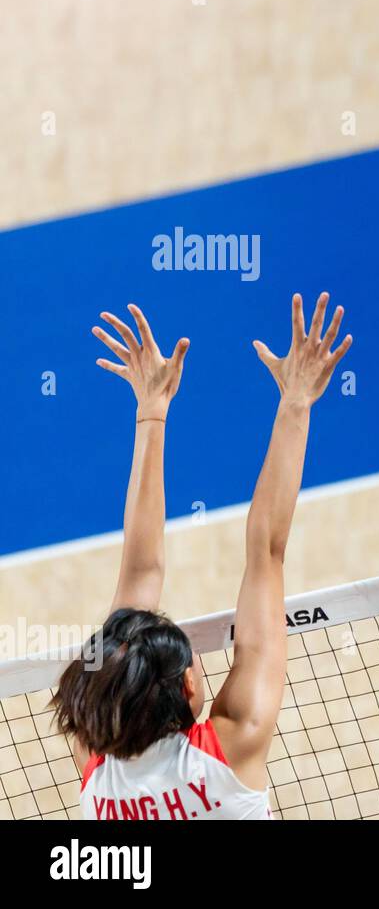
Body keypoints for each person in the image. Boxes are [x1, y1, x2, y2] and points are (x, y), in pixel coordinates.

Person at [52, 294, 351, 820]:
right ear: (191, 686)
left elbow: (155, 574)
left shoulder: (100, 774)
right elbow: (266, 550)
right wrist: (296, 401)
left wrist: (151, 412)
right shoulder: (225, 752)